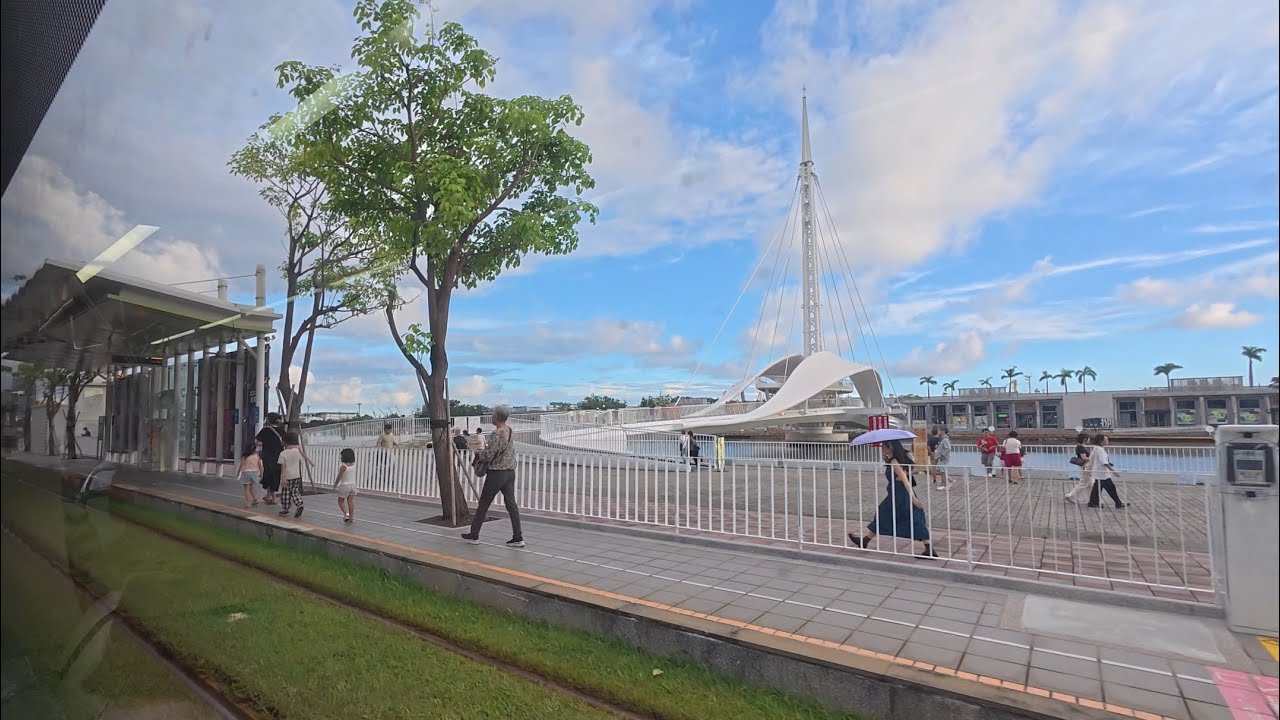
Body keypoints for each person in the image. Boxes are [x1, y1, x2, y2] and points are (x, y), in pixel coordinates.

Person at [847, 439, 937, 558]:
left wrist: (913, 498)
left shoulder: (895, 462)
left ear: (890, 447)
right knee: (895, 516)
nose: (882, 449)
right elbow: (910, 473)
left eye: (884, 447)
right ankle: (864, 541)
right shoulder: (896, 460)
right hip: (897, 494)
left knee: (906, 518)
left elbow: (905, 481)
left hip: (900, 495)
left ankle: (864, 541)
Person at [460, 405, 523, 548]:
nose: (492, 416)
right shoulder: (510, 430)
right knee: (511, 504)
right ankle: (518, 536)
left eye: (493, 414)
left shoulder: (497, 433)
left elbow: (489, 454)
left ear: (497, 416)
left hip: (497, 473)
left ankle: (474, 534)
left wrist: (478, 454)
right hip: (510, 472)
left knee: (483, 504)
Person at [1086, 434, 1126, 509]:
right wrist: (1113, 471)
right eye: (1106, 439)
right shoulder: (1100, 450)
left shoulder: (1096, 448)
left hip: (1098, 472)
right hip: (1102, 473)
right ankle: (1118, 503)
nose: (1107, 440)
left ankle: (1093, 502)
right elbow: (1104, 462)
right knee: (1110, 488)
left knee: (1097, 488)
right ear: (1101, 441)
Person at [278, 431, 311, 518]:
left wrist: (283, 478)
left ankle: (285, 509)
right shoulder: (297, 452)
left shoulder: (283, 453)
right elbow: (300, 463)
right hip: (296, 476)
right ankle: (299, 503)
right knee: (294, 491)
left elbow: (283, 467)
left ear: (285, 442)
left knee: (286, 493)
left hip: (288, 476)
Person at [255, 413, 285, 504]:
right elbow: (285, 442)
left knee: (268, 473)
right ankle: (273, 496)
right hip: (279, 456)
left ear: (268, 420)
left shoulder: (265, 430)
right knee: (276, 475)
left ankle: (270, 496)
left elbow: (258, 442)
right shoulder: (281, 430)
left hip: (267, 456)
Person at [1064, 432, 1093, 504]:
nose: (1089, 440)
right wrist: (1093, 458)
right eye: (1088, 438)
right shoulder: (1081, 448)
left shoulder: (1082, 447)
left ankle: (1091, 498)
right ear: (1084, 439)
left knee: (1090, 483)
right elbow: (1084, 458)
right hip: (1085, 467)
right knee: (1083, 483)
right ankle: (1070, 496)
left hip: (1086, 467)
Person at [333, 447, 358, 523]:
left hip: (345, 486)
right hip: (353, 485)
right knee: (350, 501)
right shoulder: (353, 466)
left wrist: (335, 485)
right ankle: (351, 518)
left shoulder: (343, 467)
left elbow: (339, 477)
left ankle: (346, 514)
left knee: (340, 501)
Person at [237, 444, 262, 508]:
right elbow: (260, 466)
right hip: (255, 473)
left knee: (247, 489)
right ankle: (255, 499)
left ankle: (248, 503)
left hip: (246, 473)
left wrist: (238, 473)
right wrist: (261, 474)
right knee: (252, 488)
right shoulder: (256, 456)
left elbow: (241, 465)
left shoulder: (244, 456)